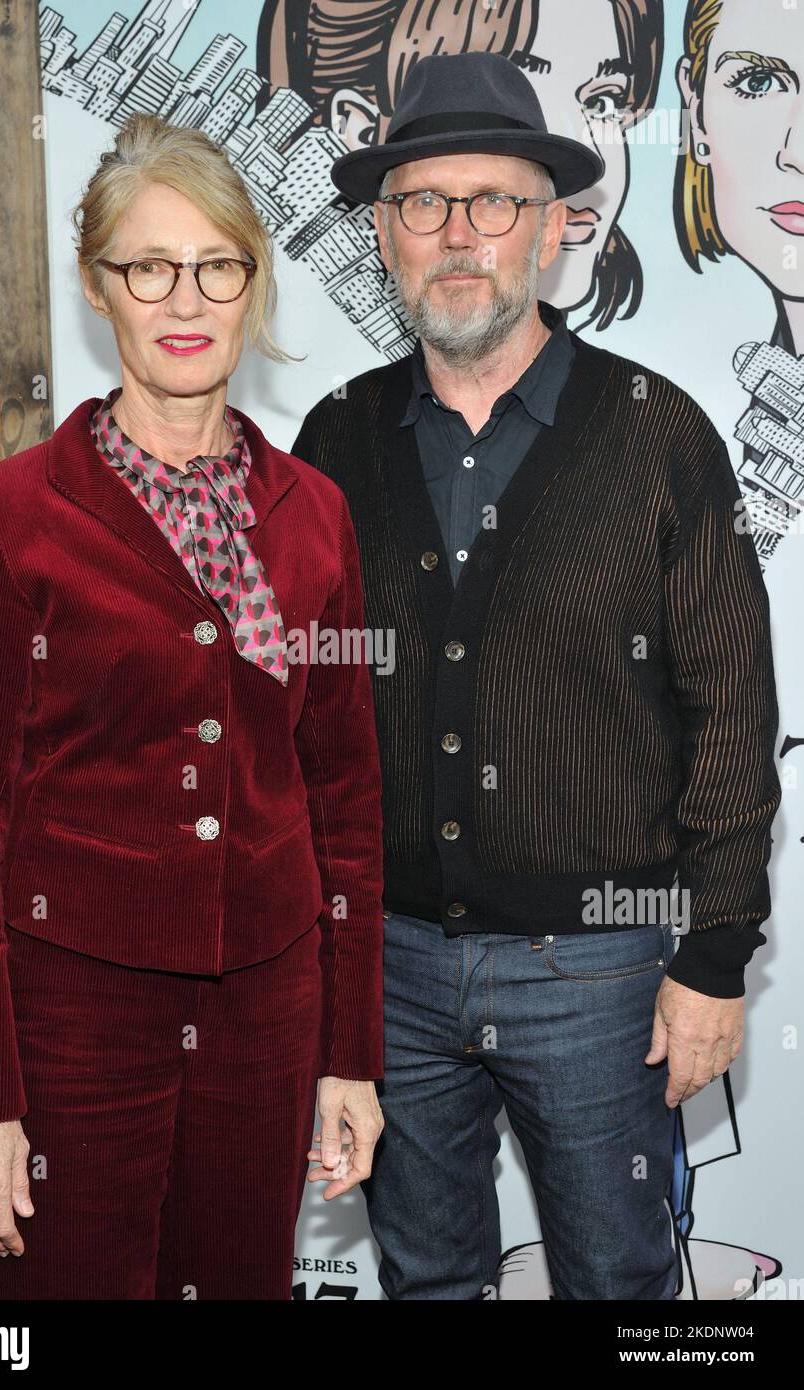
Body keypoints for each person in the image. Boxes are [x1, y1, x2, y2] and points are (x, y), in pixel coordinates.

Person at [291, 50, 782, 1299]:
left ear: (551, 230)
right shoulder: (335, 438)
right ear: (386, 233)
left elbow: (731, 706)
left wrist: (714, 954)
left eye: (492, 201)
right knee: (426, 1275)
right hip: (390, 966)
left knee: (619, 1282)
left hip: (604, 973)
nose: (457, 234)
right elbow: (297, 703)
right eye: (421, 202)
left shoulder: (655, 432)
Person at [0, 112, 385, 1301]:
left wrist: (348, 1056)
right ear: (98, 286)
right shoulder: (12, 512)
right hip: (68, 1016)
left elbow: (344, 801)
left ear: (251, 281)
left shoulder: (314, 513)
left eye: (217, 265)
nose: (186, 297)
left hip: (265, 1017)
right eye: (148, 266)